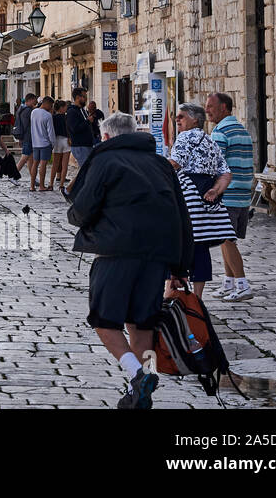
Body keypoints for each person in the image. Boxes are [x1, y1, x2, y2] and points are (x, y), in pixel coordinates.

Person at [65, 111, 193, 409]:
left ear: (106, 137)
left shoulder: (105, 161)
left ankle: (137, 375)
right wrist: (180, 267)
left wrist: (73, 214)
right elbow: (181, 216)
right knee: (141, 324)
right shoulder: (161, 164)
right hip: (156, 257)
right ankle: (139, 392)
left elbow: (83, 209)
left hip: (116, 253)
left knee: (104, 321)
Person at [167, 103, 236, 298]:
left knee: (176, 242)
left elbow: (174, 163)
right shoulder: (210, 140)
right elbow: (226, 173)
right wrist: (215, 190)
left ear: (195, 120)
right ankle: (197, 297)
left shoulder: (185, 137)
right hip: (206, 199)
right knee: (201, 246)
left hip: (187, 195)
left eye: (181, 116)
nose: (177, 120)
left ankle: (169, 292)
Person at [206, 91, 257, 301]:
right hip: (242, 194)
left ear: (223, 108)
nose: (207, 110)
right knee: (226, 239)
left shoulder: (220, 132)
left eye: (210, 106)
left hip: (227, 195)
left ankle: (243, 284)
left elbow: (213, 165)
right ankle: (229, 283)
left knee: (226, 240)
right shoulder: (240, 130)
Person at [65, 88, 94, 188]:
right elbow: (74, 129)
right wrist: (87, 121)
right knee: (86, 170)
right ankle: (71, 189)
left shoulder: (82, 110)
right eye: (84, 97)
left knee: (87, 169)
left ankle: (72, 189)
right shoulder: (72, 112)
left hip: (87, 144)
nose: (86, 99)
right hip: (80, 146)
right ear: (78, 98)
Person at [29, 97, 56, 191]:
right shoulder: (48, 115)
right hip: (45, 143)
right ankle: (41, 185)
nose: (51, 107)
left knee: (35, 164)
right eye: (51, 105)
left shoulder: (33, 112)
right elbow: (51, 132)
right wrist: (53, 143)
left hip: (35, 142)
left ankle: (32, 186)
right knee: (43, 164)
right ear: (47, 104)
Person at [14, 93, 38, 184]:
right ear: (31, 100)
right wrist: (22, 138)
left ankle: (33, 177)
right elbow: (25, 125)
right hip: (28, 137)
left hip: (27, 137)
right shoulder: (27, 110)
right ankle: (14, 175)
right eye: (34, 100)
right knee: (25, 157)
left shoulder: (22, 109)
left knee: (30, 158)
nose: (35, 102)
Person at [50, 96, 71, 193]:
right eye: (65, 107)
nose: (66, 108)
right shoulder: (66, 117)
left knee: (55, 164)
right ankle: (62, 184)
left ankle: (50, 183)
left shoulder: (53, 118)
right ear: (61, 108)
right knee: (64, 164)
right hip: (66, 140)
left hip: (57, 141)